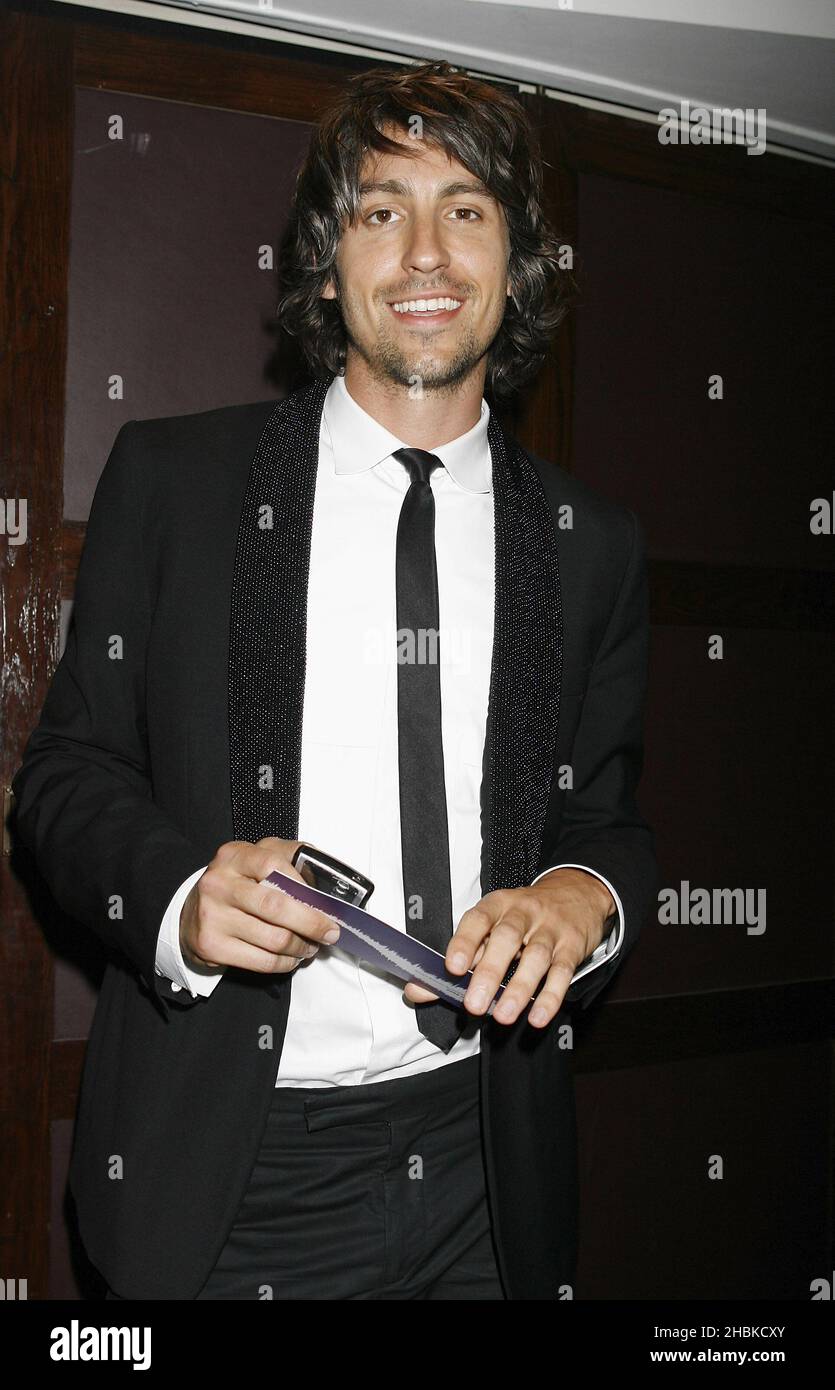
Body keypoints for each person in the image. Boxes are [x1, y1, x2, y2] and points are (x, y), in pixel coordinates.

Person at [11, 60, 656, 1300]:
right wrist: (180, 901)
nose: (425, 250)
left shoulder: (594, 546)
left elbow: (604, 815)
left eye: (467, 209)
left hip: (487, 1161)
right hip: (232, 1171)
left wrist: (581, 900)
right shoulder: (174, 484)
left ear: (516, 266)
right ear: (324, 260)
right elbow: (65, 773)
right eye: (379, 210)